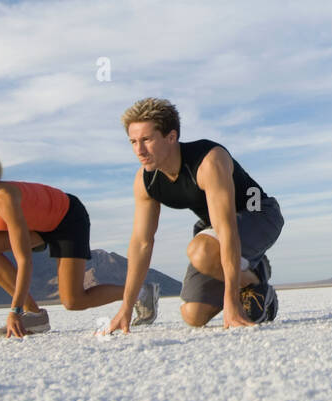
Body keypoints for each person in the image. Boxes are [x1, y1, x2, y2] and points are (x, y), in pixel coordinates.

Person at [0, 150, 153, 341]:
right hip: (36, 225)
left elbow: (24, 260)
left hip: (67, 218)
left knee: (74, 301)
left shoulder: (2, 197)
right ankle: (36, 316)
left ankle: (141, 292)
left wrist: (14, 311)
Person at [105, 98, 283, 333]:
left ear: (171, 137)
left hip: (259, 215)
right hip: (213, 230)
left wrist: (232, 303)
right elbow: (141, 243)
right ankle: (258, 281)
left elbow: (227, 229)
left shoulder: (208, 160)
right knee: (193, 315)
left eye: (147, 140)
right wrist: (126, 308)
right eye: (133, 142)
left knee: (201, 250)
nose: (139, 150)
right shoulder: (145, 180)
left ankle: (251, 280)